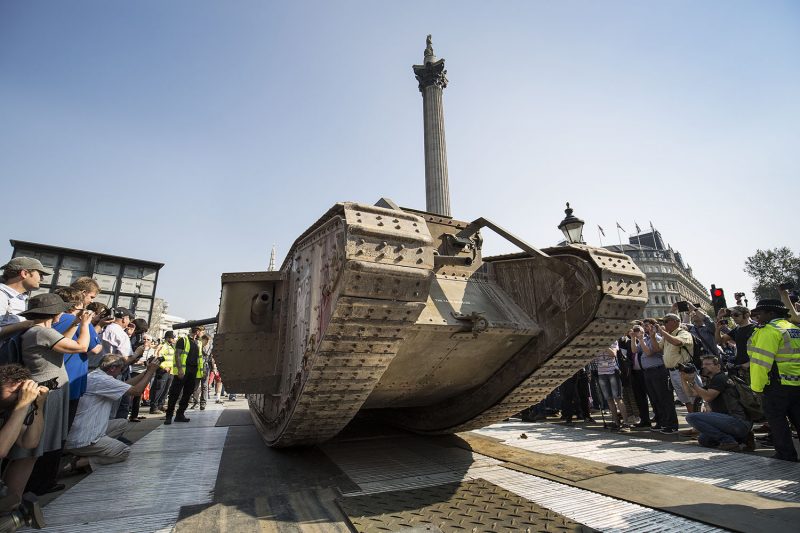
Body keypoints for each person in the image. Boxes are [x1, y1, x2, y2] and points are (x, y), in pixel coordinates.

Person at [5, 293, 93, 497]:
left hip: (45, 391)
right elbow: (81, 346)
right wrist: (85, 324)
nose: (64, 314)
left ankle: (13, 496)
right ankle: (12, 499)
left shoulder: (40, 332)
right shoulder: (41, 332)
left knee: (32, 451)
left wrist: (75, 325)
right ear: (53, 313)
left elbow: (63, 343)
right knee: (29, 452)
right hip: (44, 394)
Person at [64, 354, 160, 472]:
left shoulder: (97, 375)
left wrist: (146, 372)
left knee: (122, 423)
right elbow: (136, 391)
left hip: (85, 429)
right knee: (123, 451)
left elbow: (127, 385)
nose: (120, 373)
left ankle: (90, 452)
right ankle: (82, 462)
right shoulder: (102, 380)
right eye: (120, 370)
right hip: (83, 439)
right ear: (112, 368)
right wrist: (151, 372)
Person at [747, 299, 800, 462]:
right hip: (796, 383)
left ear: (771, 313)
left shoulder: (769, 331)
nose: (757, 317)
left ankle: (786, 455)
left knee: (778, 422)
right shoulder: (794, 329)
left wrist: (756, 388)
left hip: (777, 385)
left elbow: (761, 364)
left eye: (760, 313)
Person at [50, 288, 103, 428]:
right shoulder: (79, 321)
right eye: (89, 298)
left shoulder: (50, 320)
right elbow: (95, 348)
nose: (90, 302)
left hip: (50, 377)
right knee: (64, 424)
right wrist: (88, 324)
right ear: (77, 304)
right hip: (71, 380)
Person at [0, 364, 48, 512]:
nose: (20, 395)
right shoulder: (17, 406)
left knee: (13, 501)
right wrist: (23, 404)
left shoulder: (9, 409)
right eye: (14, 391)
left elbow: (29, 442)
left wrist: (37, 406)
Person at [683, 356, 753, 451]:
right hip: (731, 423)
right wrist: (683, 378)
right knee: (704, 440)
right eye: (703, 365)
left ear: (718, 366)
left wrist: (692, 382)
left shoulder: (720, 378)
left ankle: (728, 441)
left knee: (691, 417)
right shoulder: (713, 380)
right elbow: (691, 393)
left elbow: (708, 397)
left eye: (708, 364)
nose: (704, 367)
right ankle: (743, 439)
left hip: (737, 421)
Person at [653, 313, 703, 419]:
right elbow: (657, 348)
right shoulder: (668, 335)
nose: (663, 324)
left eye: (666, 321)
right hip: (673, 372)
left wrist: (662, 332)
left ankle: (701, 424)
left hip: (684, 371)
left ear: (675, 321)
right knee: (685, 400)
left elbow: (677, 342)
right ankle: (694, 423)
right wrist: (652, 336)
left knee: (694, 398)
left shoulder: (683, 333)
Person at [633, 319, 679, 433]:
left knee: (664, 398)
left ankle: (671, 424)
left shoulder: (658, 338)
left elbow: (649, 352)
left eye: (647, 325)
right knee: (655, 399)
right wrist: (634, 337)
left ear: (653, 326)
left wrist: (641, 339)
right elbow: (634, 350)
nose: (645, 327)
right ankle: (661, 421)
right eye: (643, 326)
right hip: (648, 372)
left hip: (658, 370)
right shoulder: (644, 339)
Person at [0, 257, 53, 338]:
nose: (42, 279)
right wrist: (27, 324)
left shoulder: (21, 297)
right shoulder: (1, 295)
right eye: (40, 274)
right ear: (24, 273)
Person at [164, 326, 205, 425]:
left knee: (187, 394)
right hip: (183, 371)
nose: (203, 334)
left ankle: (180, 414)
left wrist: (201, 372)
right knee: (174, 393)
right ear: (197, 331)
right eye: (202, 331)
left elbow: (199, 358)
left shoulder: (198, 343)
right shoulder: (183, 340)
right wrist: (180, 369)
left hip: (193, 372)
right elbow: (177, 355)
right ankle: (169, 416)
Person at [592, 342, 629, 430]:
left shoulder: (613, 341)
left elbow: (613, 354)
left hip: (612, 372)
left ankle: (626, 423)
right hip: (601, 373)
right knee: (609, 399)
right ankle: (616, 422)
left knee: (618, 397)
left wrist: (603, 346)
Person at [715, 306, 755, 384]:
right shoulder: (736, 329)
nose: (733, 317)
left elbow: (760, 350)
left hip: (752, 366)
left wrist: (749, 363)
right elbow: (719, 341)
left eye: (736, 315)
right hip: (740, 367)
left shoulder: (755, 328)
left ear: (746, 315)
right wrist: (718, 329)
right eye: (732, 315)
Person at [150, 331, 176, 414]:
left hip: (170, 371)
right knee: (159, 388)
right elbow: (158, 356)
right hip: (163, 370)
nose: (173, 339)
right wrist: (164, 367)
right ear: (168, 338)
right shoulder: (162, 346)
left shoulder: (171, 347)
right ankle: (154, 407)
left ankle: (161, 405)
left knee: (165, 389)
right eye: (172, 338)